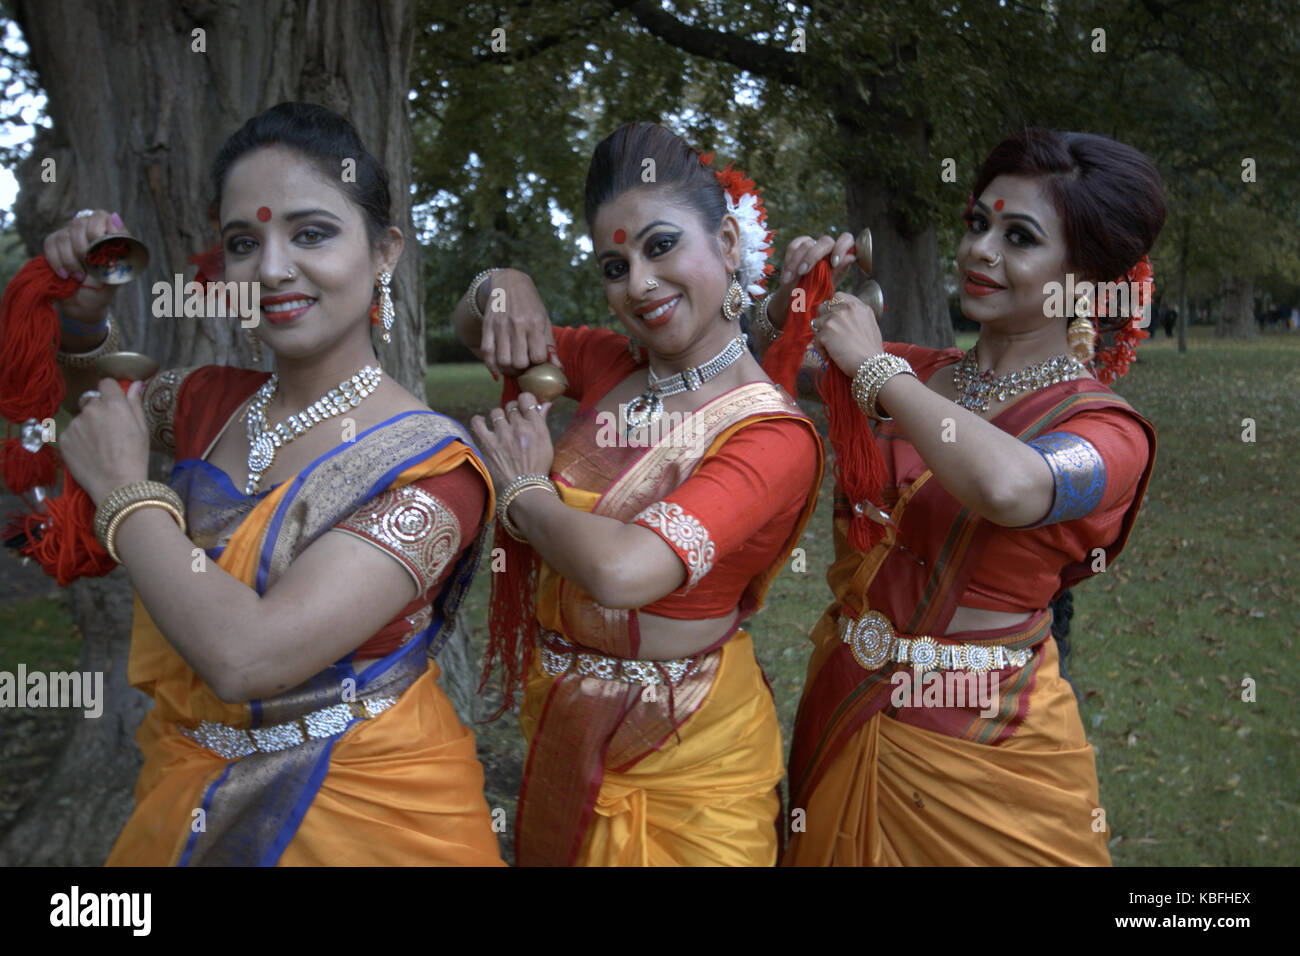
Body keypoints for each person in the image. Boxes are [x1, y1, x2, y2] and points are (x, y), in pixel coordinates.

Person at [48, 102, 503, 865]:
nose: (272, 269)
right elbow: (91, 395)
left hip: (367, 818)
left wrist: (126, 498)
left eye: (312, 232)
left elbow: (248, 658)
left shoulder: (434, 468)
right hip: (190, 787)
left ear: (384, 251)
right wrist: (87, 311)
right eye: (242, 242)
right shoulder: (207, 402)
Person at [750, 128, 1161, 865]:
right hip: (846, 708)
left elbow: (1009, 486)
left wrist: (877, 375)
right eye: (979, 224)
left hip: (989, 751)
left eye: (1019, 237)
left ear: (1085, 281)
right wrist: (788, 304)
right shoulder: (917, 370)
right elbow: (759, 376)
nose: (980, 251)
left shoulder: (1107, 430)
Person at [452, 121, 823, 866]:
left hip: (691, 758)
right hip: (564, 723)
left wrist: (524, 491)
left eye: (659, 246)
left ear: (725, 243)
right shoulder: (608, 361)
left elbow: (625, 573)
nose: (639, 284)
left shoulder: (772, 437)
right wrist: (503, 285)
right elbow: (480, 328)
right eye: (613, 266)